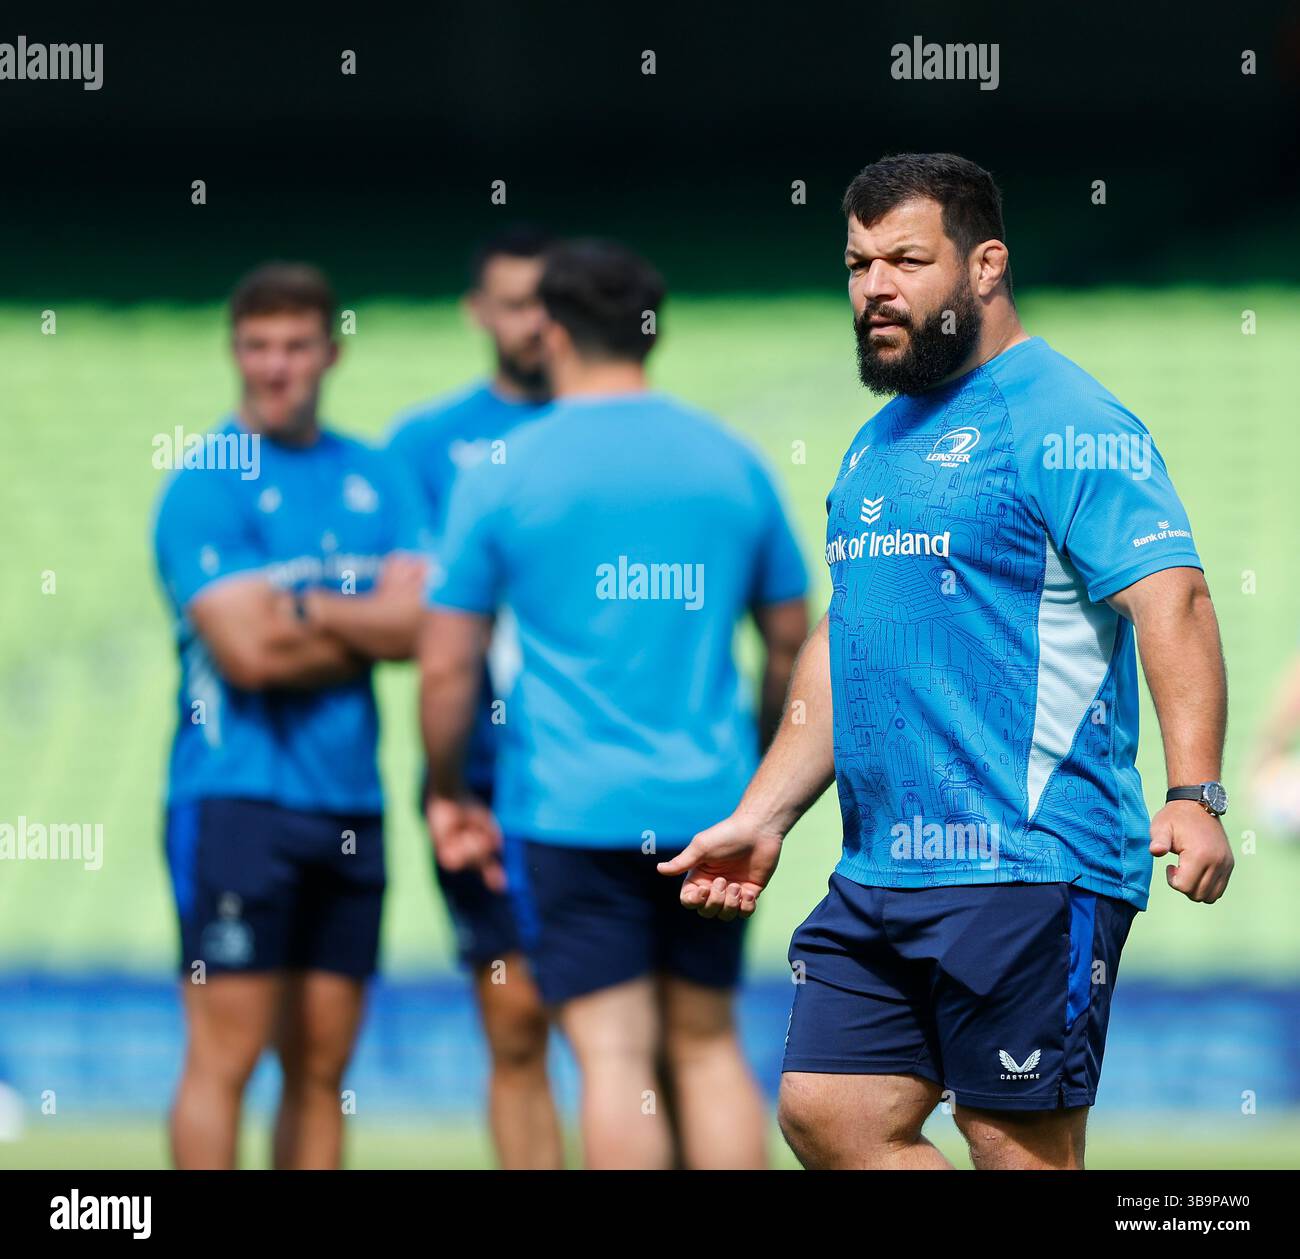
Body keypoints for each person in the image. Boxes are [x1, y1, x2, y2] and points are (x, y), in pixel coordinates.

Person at [661, 152, 1234, 1171]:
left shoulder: (1064, 418)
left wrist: (1193, 791)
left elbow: (1174, 599)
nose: (874, 287)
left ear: (984, 266)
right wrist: (764, 812)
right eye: (857, 263)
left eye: (906, 260)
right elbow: (847, 649)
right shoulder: (874, 442)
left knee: (1013, 1143)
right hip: (881, 869)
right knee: (828, 1112)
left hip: (1027, 864)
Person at [419, 240, 809, 1169]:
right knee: (709, 1044)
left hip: (568, 807)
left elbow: (446, 664)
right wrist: (757, 779)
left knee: (612, 1055)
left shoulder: (506, 466)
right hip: (709, 803)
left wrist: (448, 789)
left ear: (550, 329)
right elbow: (793, 642)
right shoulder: (731, 460)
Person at [152, 262, 426, 1169]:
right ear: (236, 352)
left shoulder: (378, 476)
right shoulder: (204, 482)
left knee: (322, 1067)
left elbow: (424, 624)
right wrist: (362, 621)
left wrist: (299, 609)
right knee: (225, 1055)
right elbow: (249, 655)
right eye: (258, 346)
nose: (276, 366)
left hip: (348, 804)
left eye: (296, 345)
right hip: (234, 800)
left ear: (330, 351)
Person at [386, 226, 561, 1168]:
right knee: (516, 1021)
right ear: (476, 311)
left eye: (547, 299)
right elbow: (426, 611)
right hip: (489, 778)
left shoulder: (614, 428)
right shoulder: (425, 446)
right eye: (511, 300)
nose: (531, 320)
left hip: (613, 775)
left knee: (648, 1034)